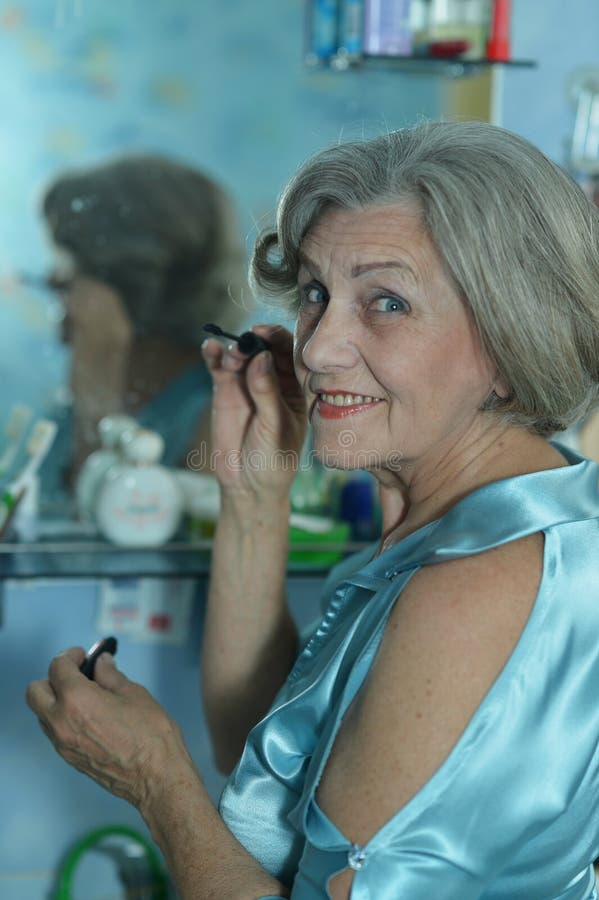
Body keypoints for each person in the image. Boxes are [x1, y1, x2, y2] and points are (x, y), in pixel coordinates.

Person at [26, 120, 599, 899]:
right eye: (318, 295)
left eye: (386, 302)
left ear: (507, 339)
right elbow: (268, 762)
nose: (319, 346)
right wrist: (253, 494)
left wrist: (158, 785)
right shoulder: (458, 527)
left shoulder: (470, 587)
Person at [40, 153, 247, 483]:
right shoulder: (66, 409)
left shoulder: (223, 415)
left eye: (71, 266)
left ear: (127, 279)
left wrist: (98, 402)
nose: (52, 281)